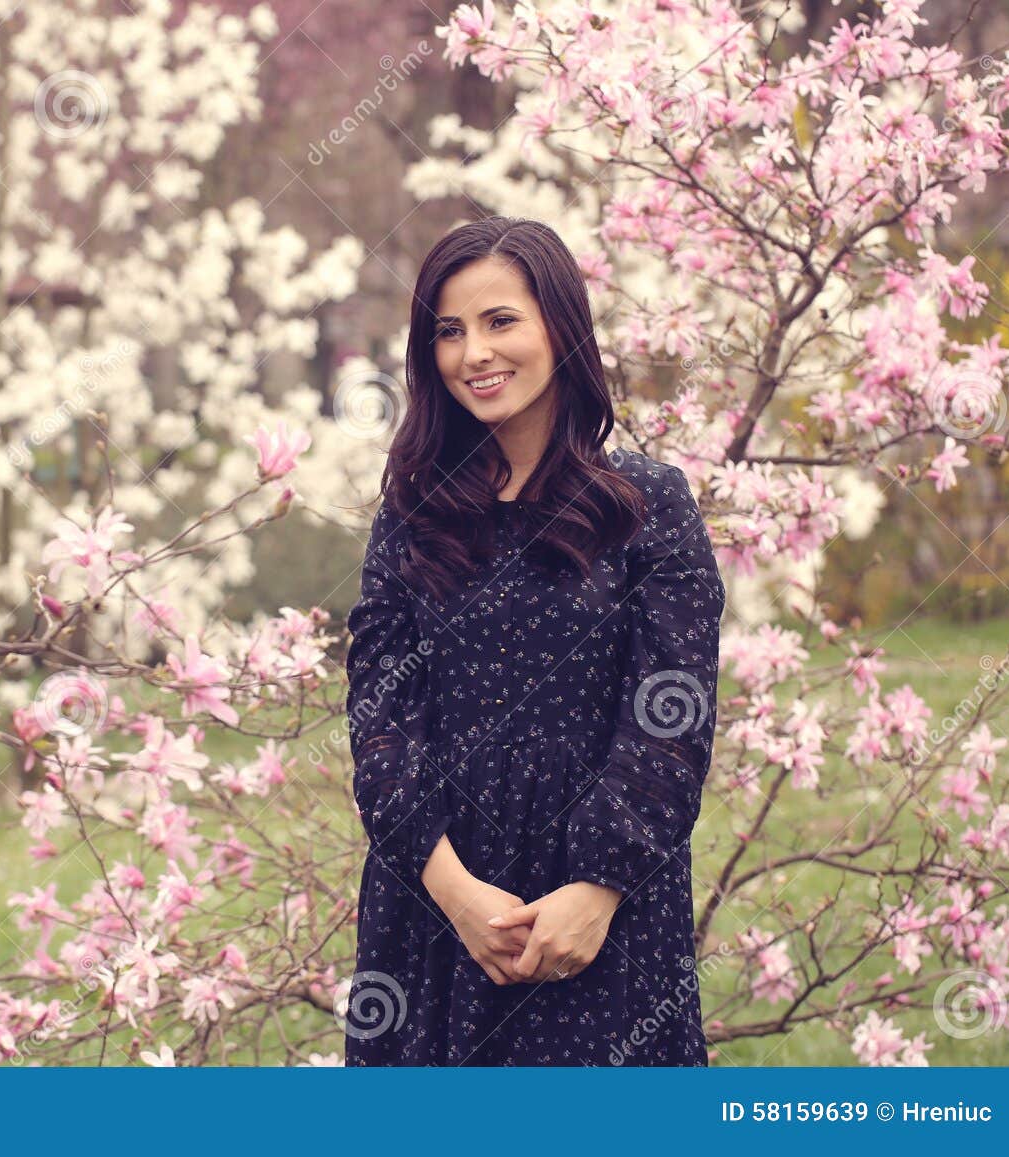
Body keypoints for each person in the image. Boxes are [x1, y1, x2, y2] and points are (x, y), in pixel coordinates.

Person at [343, 215, 726, 1066]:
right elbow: (379, 715)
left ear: (560, 325)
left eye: (500, 320)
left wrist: (597, 889)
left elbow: (673, 713)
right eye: (449, 331)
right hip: (436, 906)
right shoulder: (413, 511)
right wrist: (454, 892)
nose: (474, 353)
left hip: (602, 908)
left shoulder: (647, 503)